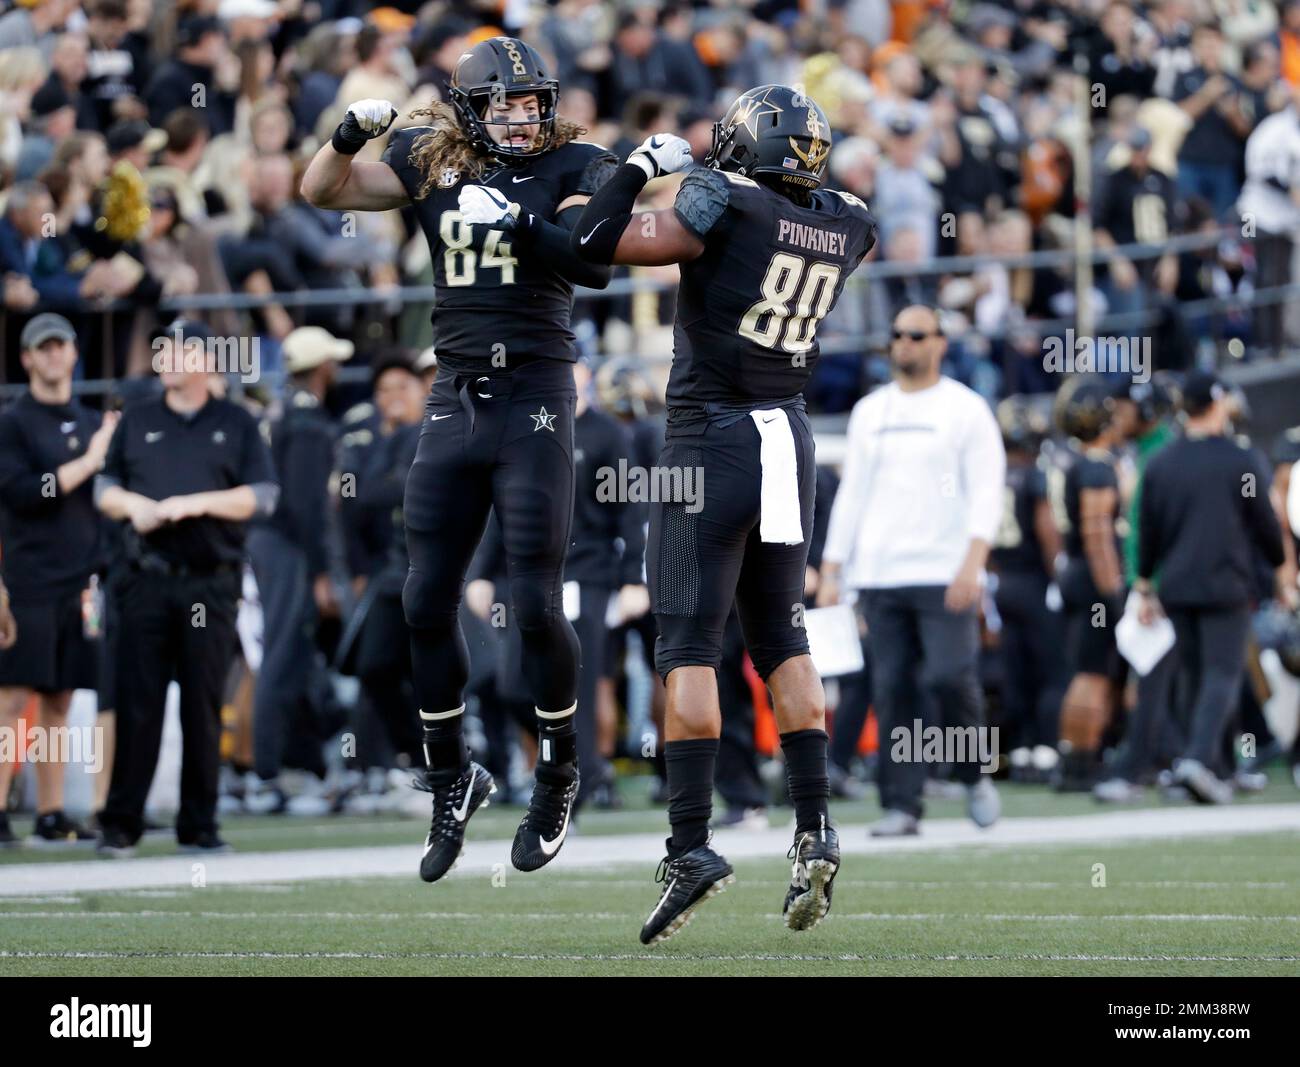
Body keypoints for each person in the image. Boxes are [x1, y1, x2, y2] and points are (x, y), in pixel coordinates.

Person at [301, 36, 616, 882]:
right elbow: (320, 189)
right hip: (457, 391)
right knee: (422, 598)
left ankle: (557, 770)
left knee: (534, 597)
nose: (522, 116)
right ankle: (453, 774)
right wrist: (343, 136)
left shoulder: (574, 161)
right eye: (505, 103)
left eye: (532, 101)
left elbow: (605, 246)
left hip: (539, 394)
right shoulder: (428, 155)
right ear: (469, 108)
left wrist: (537, 217)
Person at [573, 84, 877, 942]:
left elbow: (602, 246)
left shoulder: (724, 199)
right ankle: (814, 822)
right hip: (791, 437)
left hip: (710, 440)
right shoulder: (850, 219)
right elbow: (802, 219)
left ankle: (691, 843)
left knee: (686, 646)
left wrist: (634, 173)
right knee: (783, 636)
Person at [818, 305, 1005, 837]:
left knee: (951, 678)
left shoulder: (966, 410)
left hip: (945, 569)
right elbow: (853, 494)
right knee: (892, 688)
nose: (904, 343)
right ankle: (902, 804)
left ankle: (973, 773)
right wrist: (834, 567)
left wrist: (974, 561)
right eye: (897, 334)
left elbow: (987, 491)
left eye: (916, 335)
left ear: (941, 343)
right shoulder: (870, 411)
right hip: (879, 572)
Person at [94, 318, 278, 856]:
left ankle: (198, 824)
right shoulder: (138, 418)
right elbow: (106, 487)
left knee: (201, 705)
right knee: (137, 702)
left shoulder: (236, 422)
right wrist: (136, 508)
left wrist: (196, 503)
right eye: (163, 350)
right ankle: (121, 822)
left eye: (179, 351)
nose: (168, 359)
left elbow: (262, 496)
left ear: (205, 361)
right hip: (145, 578)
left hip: (210, 582)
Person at [1134, 371, 1287, 803]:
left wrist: (1145, 582)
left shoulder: (1162, 462)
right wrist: (1278, 568)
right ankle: (1199, 761)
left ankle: (1214, 769)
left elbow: (1150, 529)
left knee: (1195, 676)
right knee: (1222, 672)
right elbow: (1265, 524)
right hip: (1226, 583)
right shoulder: (1239, 460)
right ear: (1217, 404)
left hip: (1177, 585)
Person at [0, 314, 116, 847]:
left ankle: (49, 810)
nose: (52, 356)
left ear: (73, 354)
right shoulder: (14, 421)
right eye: (41, 348)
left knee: (62, 697)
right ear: (26, 358)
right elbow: (28, 492)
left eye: (60, 347)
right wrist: (90, 461)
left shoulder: (92, 420)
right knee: (11, 697)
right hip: (28, 578)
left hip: (82, 580)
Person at [244, 326, 352, 813]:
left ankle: (304, 762)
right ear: (322, 367)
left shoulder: (278, 409)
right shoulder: (308, 421)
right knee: (284, 653)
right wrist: (323, 570)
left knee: (295, 653)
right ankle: (266, 773)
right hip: (288, 545)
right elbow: (308, 505)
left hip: (269, 541)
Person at [1050, 377, 1127, 791]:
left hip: (1075, 573)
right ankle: (1080, 761)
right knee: (1093, 673)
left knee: (1088, 670)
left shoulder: (1072, 461)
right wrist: (1113, 590)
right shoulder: (1096, 466)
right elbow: (1098, 533)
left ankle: (1077, 757)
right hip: (1091, 577)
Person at [990, 396, 1065, 781]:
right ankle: (1046, 749)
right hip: (1034, 583)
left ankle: (1019, 751)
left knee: (1014, 672)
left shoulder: (992, 476)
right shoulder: (1034, 477)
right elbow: (1047, 530)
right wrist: (1058, 574)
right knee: (1050, 671)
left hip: (1004, 582)